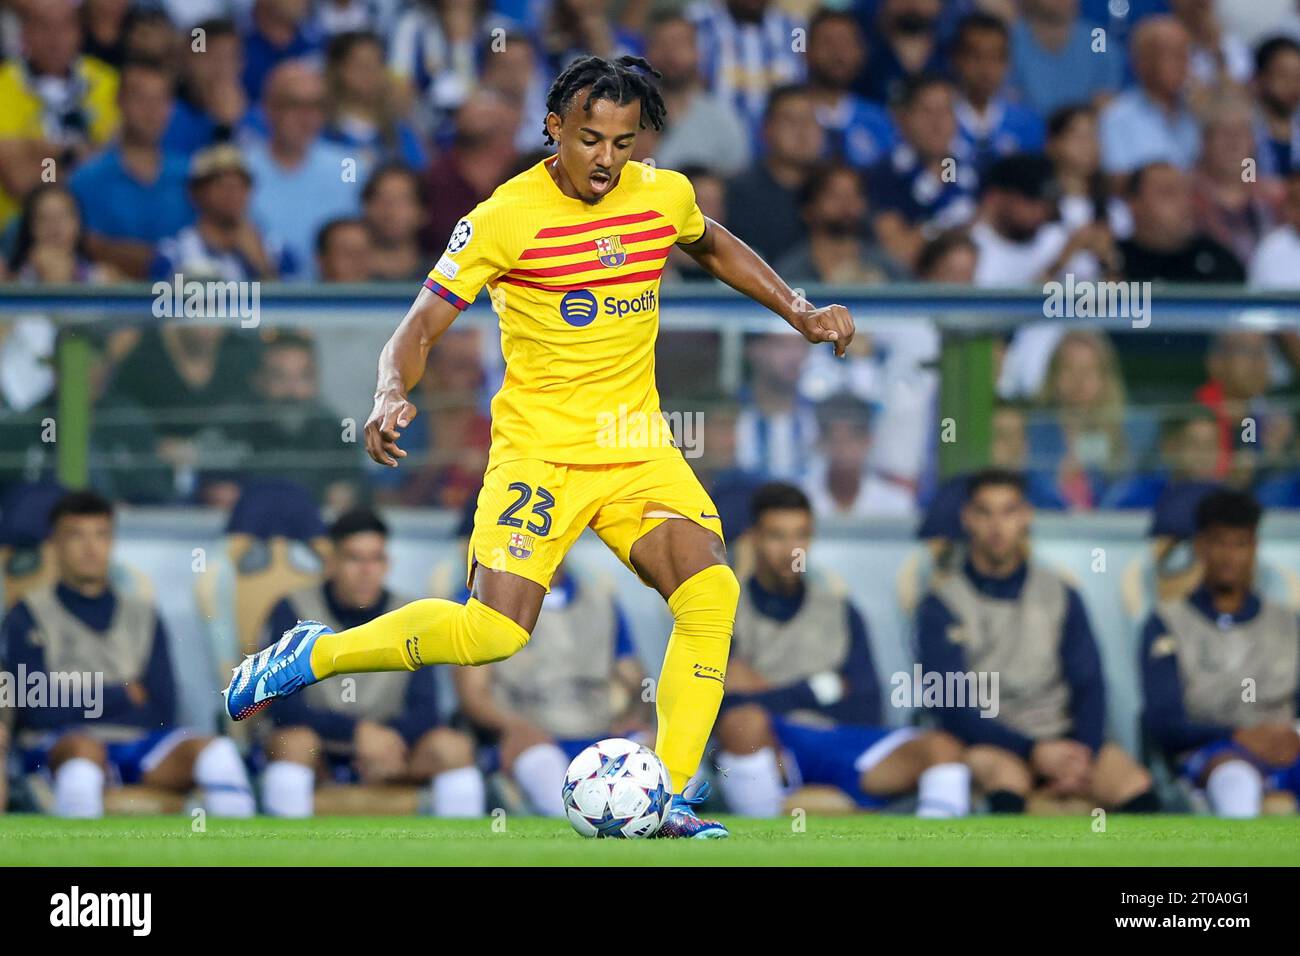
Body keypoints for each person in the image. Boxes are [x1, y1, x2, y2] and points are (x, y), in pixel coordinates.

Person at [223, 54, 856, 840]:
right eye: (590, 139)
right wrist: (391, 390)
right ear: (554, 127)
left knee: (710, 592)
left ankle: (666, 791)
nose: (605, 159)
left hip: (634, 447)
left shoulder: (662, 193)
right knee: (493, 633)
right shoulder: (503, 217)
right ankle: (318, 655)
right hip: (540, 452)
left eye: (623, 143)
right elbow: (420, 324)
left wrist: (797, 308)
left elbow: (711, 242)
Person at [916, 469, 1160, 814]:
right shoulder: (941, 604)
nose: (997, 527)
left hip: (1066, 739)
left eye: (1009, 511)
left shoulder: (1060, 593)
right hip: (990, 741)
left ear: (1026, 515)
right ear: (967, 519)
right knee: (1006, 778)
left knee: (1132, 783)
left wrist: (1079, 756)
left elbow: (1090, 684)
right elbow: (951, 708)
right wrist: (1032, 751)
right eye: (985, 513)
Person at [718, 483, 969, 816]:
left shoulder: (840, 610)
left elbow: (867, 705)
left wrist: (767, 691)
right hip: (774, 745)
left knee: (943, 747)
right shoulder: (725, 611)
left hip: (839, 742)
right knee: (743, 724)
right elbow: (716, 707)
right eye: (777, 536)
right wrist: (824, 686)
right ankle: (765, 840)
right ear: (753, 539)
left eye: (800, 535)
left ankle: (933, 855)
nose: (791, 549)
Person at [1, 491, 255, 818]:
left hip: (138, 746)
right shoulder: (27, 615)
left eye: (101, 535)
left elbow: (163, 709)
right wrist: (123, 694)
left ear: (112, 541)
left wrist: (75, 699)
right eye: (76, 536)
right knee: (83, 756)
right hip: (59, 749)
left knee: (218, 753)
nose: (91, 548)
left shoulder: (144, 614)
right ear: (54, 545)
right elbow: (36, 710)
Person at [259, 509, 485, 818]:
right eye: (354, 559)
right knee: (293, 744)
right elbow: (282, 707)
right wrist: (356, 734)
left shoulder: (411, 615)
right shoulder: (293, 610)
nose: (367, 570)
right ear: (332, 562)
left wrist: (386, 741)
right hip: (319, 751)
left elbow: (426, 709)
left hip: (393, 753)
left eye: (376, 559)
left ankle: (463, 858)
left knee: (453, 749)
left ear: (387, 564)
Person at [1140, 489, 1300, 817]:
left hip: (1287, 748)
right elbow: (1164, 723)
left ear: (1255, 548)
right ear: (1200, 546)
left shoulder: (1289, 624)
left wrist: (1289, 736)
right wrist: (1238, 736)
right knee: (1235, 776)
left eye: (1240, 543)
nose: (1229, 556)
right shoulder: (1167, 624)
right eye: (1218, 542)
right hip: (1211, 754)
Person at [452, 559, 651, 817]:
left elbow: (637, 679)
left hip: (600, 734)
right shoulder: (481, 602)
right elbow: (473, 694)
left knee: (666, 761)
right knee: (548, 775)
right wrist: (514, 728)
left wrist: (636, 716)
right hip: (532, 735)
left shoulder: (601, 602)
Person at [951, 13, 1044, 173]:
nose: (986, 69)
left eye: (996, 58)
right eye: (976, 57)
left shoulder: (1028, 124)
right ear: (957, 59)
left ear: (1008, 63)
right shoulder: (937, 121)